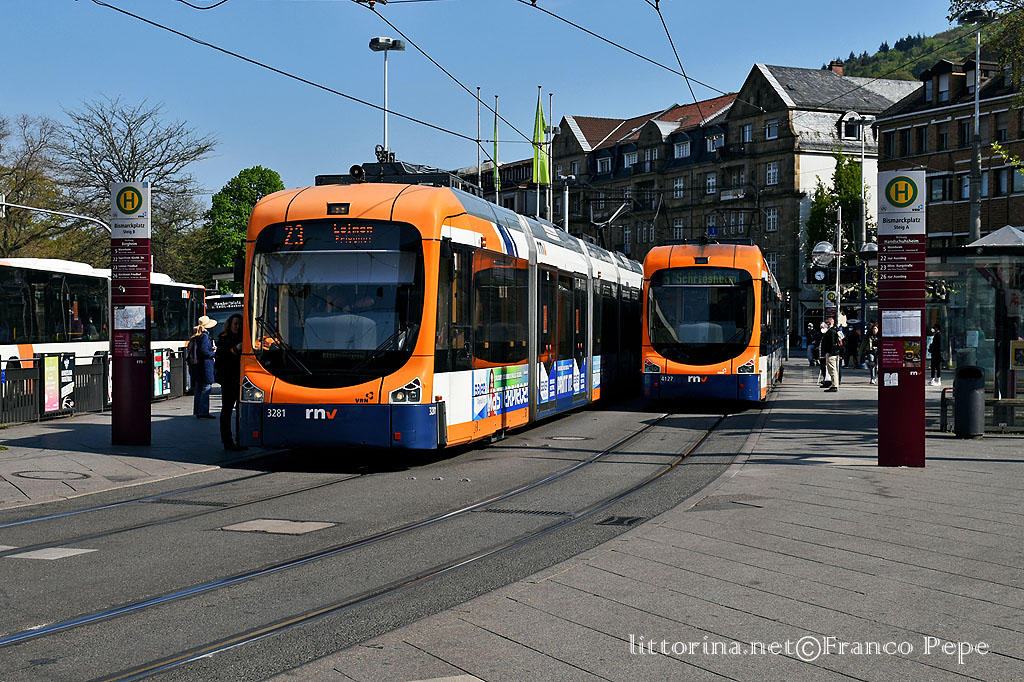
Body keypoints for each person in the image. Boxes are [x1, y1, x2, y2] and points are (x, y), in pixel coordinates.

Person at [215, 313, 246, 450]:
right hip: (228, 379)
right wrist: (235, 349)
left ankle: (241, 439)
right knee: (227, 410)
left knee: (241, 411)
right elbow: (222, 357)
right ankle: (227, 440)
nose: (237, 327)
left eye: (239, 324)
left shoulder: (245, 338)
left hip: (241, 379)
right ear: (230, 324)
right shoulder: (223, 338)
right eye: (235, 324)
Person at [188, 315, 217, 419]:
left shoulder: (196, 336)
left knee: (199, 389)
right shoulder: (205, 336)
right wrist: (213, 352)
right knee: (206, 388)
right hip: (205, 366)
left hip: (197, 366)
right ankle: (203, 412)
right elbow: (204, 351)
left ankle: (197, 411)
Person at [820, 316, 842, 392]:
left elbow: (832, 343)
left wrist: (829, 351)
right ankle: (834, 384)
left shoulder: (831, 331)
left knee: (832, 370)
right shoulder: (834, 330)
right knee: (832, 369)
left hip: (832, 353)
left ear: (829, 323)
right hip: (833, 353)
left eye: (826, 323)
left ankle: (834, 385)